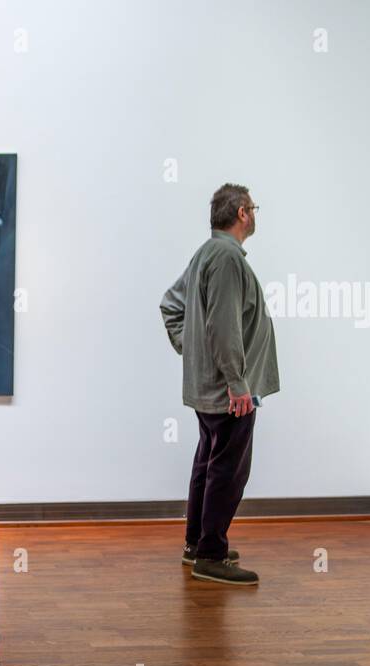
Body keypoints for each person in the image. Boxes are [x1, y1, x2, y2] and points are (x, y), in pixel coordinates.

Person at [160, 183, 279, 586]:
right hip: (228, 392)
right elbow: (224, 326)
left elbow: (171, 305)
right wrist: (237, 383)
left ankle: (198, 544)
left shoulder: (206, 253)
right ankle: (211, 554)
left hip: (210, 387)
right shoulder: (226, 257)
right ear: (243, 212)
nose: (255, 215)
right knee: (228, 471)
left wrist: (193, 354)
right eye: (254, 208)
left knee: (208, 463)